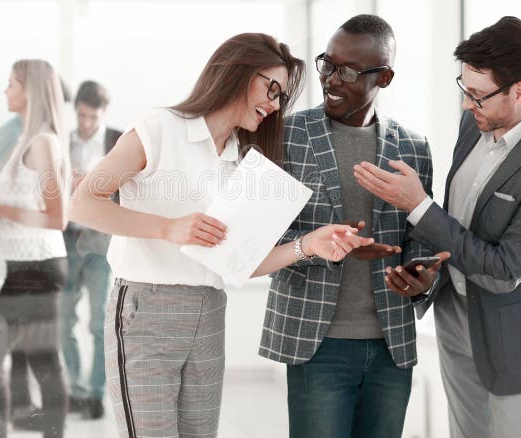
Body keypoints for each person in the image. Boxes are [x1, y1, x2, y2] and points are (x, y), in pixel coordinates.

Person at [70, 32, 372, 438]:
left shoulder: (240, 158)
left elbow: (237, 262)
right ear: (236, 73)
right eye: (272, 88)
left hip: (210, 313)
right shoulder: (159, 129)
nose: (275, 103)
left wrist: (307, 245)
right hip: (147, 311)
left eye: (282, 96)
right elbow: (83, 203)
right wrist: (168, 227)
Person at [354, 15, 521, 438]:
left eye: (478, 95)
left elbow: (503, 271)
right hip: (454, 313)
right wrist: (425, 272)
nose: (466, 105)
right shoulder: (476, 121)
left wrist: (417, 205)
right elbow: (459, 219)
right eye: (464, 90)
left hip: (516, 335)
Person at [259, 14, 448, 438]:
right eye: (328, 64)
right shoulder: (284, 135)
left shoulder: (414, 149)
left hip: (391, 346)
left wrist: (421, 279)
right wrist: (321, 244)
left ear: (385, 77)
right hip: (317, 344)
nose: (331, 79)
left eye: (347, 71)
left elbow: (418, 239)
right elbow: (254, 241)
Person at [0, 59, 70, 438]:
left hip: (39, 266)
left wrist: (3, 210)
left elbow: (57, 217)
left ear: (29, 91)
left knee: (9, 359)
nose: (5, 90)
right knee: (34, 360)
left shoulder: (44, 143)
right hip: (24, 266)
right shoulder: (23, 141)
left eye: (11, 83)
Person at [62, 80, 122, 419]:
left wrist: (96, 186)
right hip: (67, 240)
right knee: (63, 321)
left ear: (103, 112)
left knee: (99, 322)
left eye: (92, 116)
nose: (86, 123)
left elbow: (130, 188)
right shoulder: (61, 142)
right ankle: (76, 390)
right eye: (81, 116)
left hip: (101, 241)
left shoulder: (117, 141)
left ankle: (96, 393)